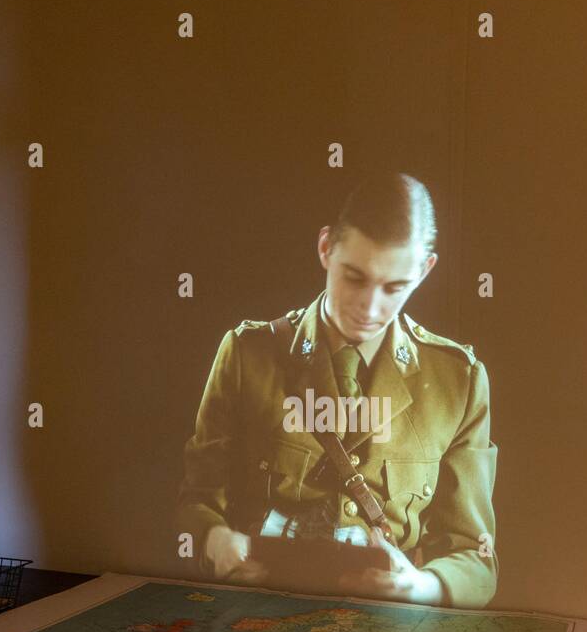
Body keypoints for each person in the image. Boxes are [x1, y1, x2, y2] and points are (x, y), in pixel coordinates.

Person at [175, 172, 497, 608]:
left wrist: (421, 586)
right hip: (257, 612)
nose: (370, 306)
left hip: (386, 624)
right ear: (326, 248)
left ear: (424, 271)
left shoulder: (457, 381)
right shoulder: (248, 355)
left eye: (394, 287)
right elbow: (196, 502)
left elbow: (476, 557)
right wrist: (215, 541)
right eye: (355, 277)